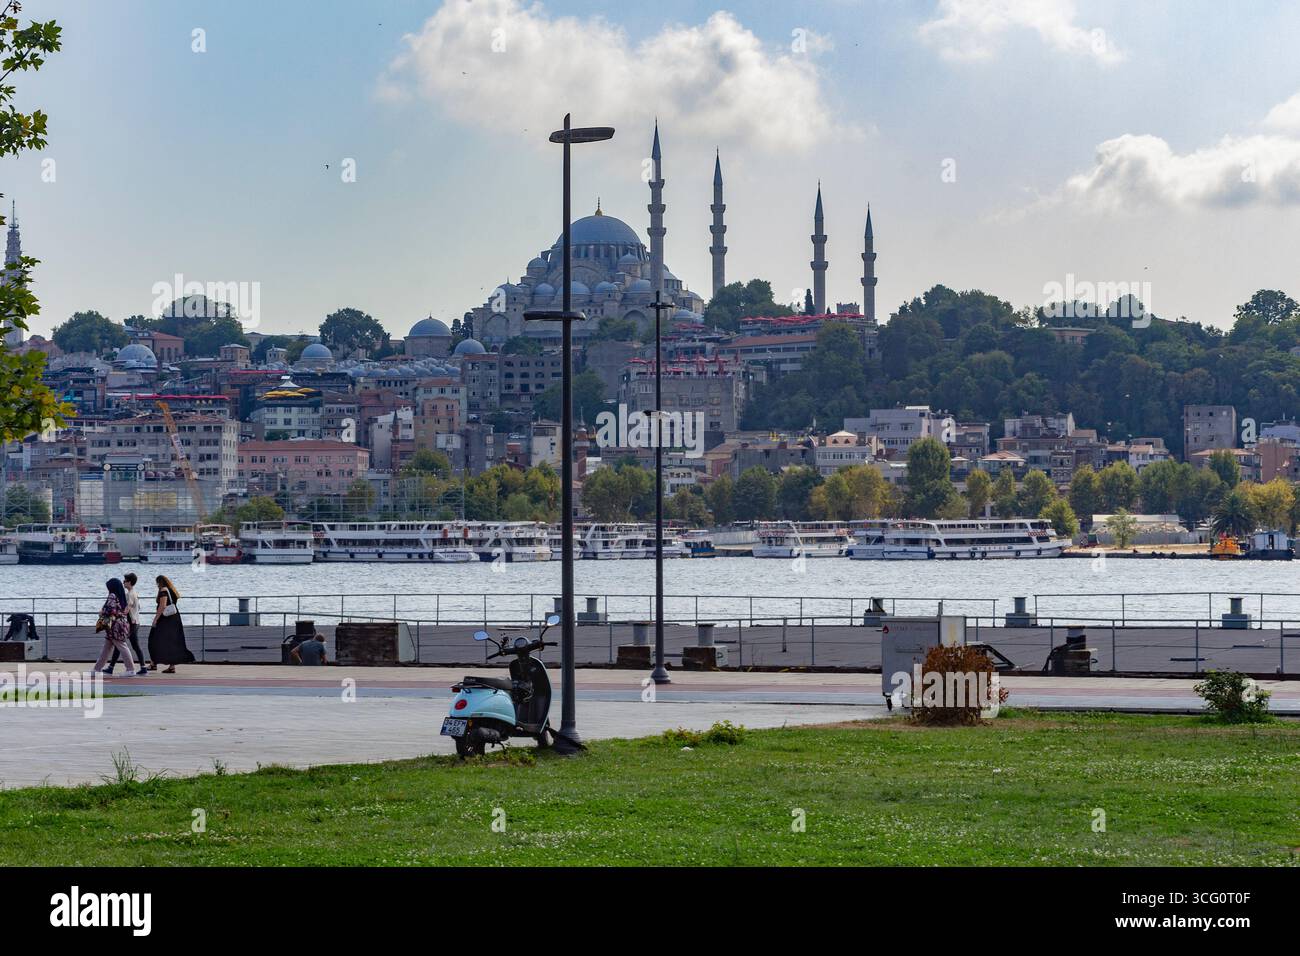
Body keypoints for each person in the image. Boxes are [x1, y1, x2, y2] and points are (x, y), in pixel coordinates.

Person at [148, 574, 194, 674]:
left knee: (153, 639)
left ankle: (153, 663)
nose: (157, 585)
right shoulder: (171, 590)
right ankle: (170, 666)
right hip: (174, 618)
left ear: (159, 582)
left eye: (157, 583)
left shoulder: (163, 590)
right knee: (172, 642)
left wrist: (156, 619)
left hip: (165, 619)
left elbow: (162, 606)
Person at [105, 572, 148, 676]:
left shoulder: (129, 595)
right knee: (130, 645)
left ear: (129, 582)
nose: (123, 583)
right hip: (136, 622)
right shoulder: (134, 593)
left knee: (120, 644)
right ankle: (142, 668)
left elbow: (125, 610)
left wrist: (114, 612)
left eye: (124, 581)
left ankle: (112, 668)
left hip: (131, 623)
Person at [92, 578, 136, 676]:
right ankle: (97, 669)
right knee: (107, 647)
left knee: (121, 646)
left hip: (114, 625)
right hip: (121, 623)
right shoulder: (122, 596)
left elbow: (110, 610)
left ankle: (130, 669)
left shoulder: (112, 595)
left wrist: (102, 612)